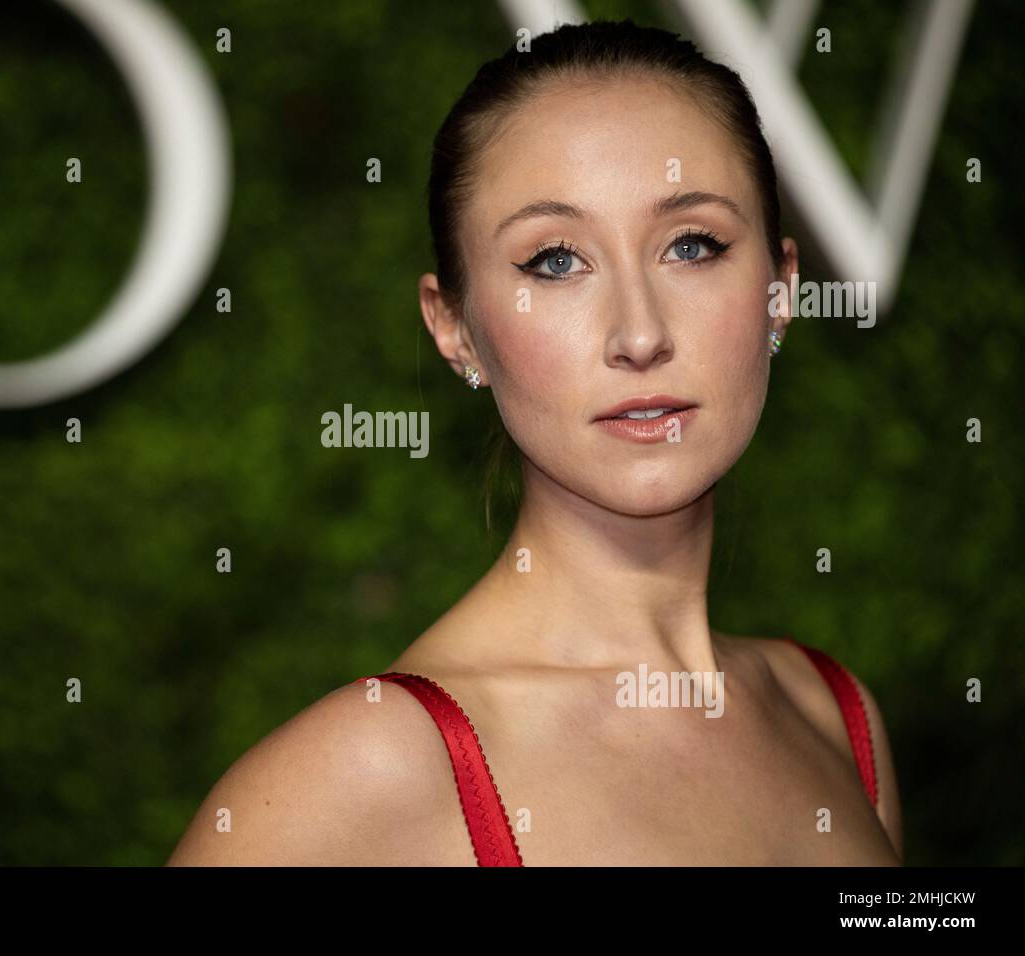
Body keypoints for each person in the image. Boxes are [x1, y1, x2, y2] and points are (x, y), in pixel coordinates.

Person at [168, 19, 902, 866]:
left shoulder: (837, 718)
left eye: (691, 245)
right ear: (456, 331)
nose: (638, 333)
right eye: (555, 261)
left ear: (781, 292)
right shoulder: (365, 770)